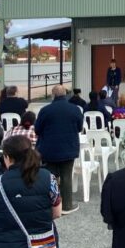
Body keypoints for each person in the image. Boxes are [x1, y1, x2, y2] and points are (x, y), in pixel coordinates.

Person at [35, 85, 84, 215]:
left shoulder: (45, 110)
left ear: (53, 95)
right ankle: (67, 206)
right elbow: (79, 128)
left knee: (50, 177)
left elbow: (37, 129)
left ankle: (50, 204)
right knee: (67, 176)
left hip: (49, 149)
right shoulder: (75, 109)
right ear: (65, 95)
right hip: (69, 147)